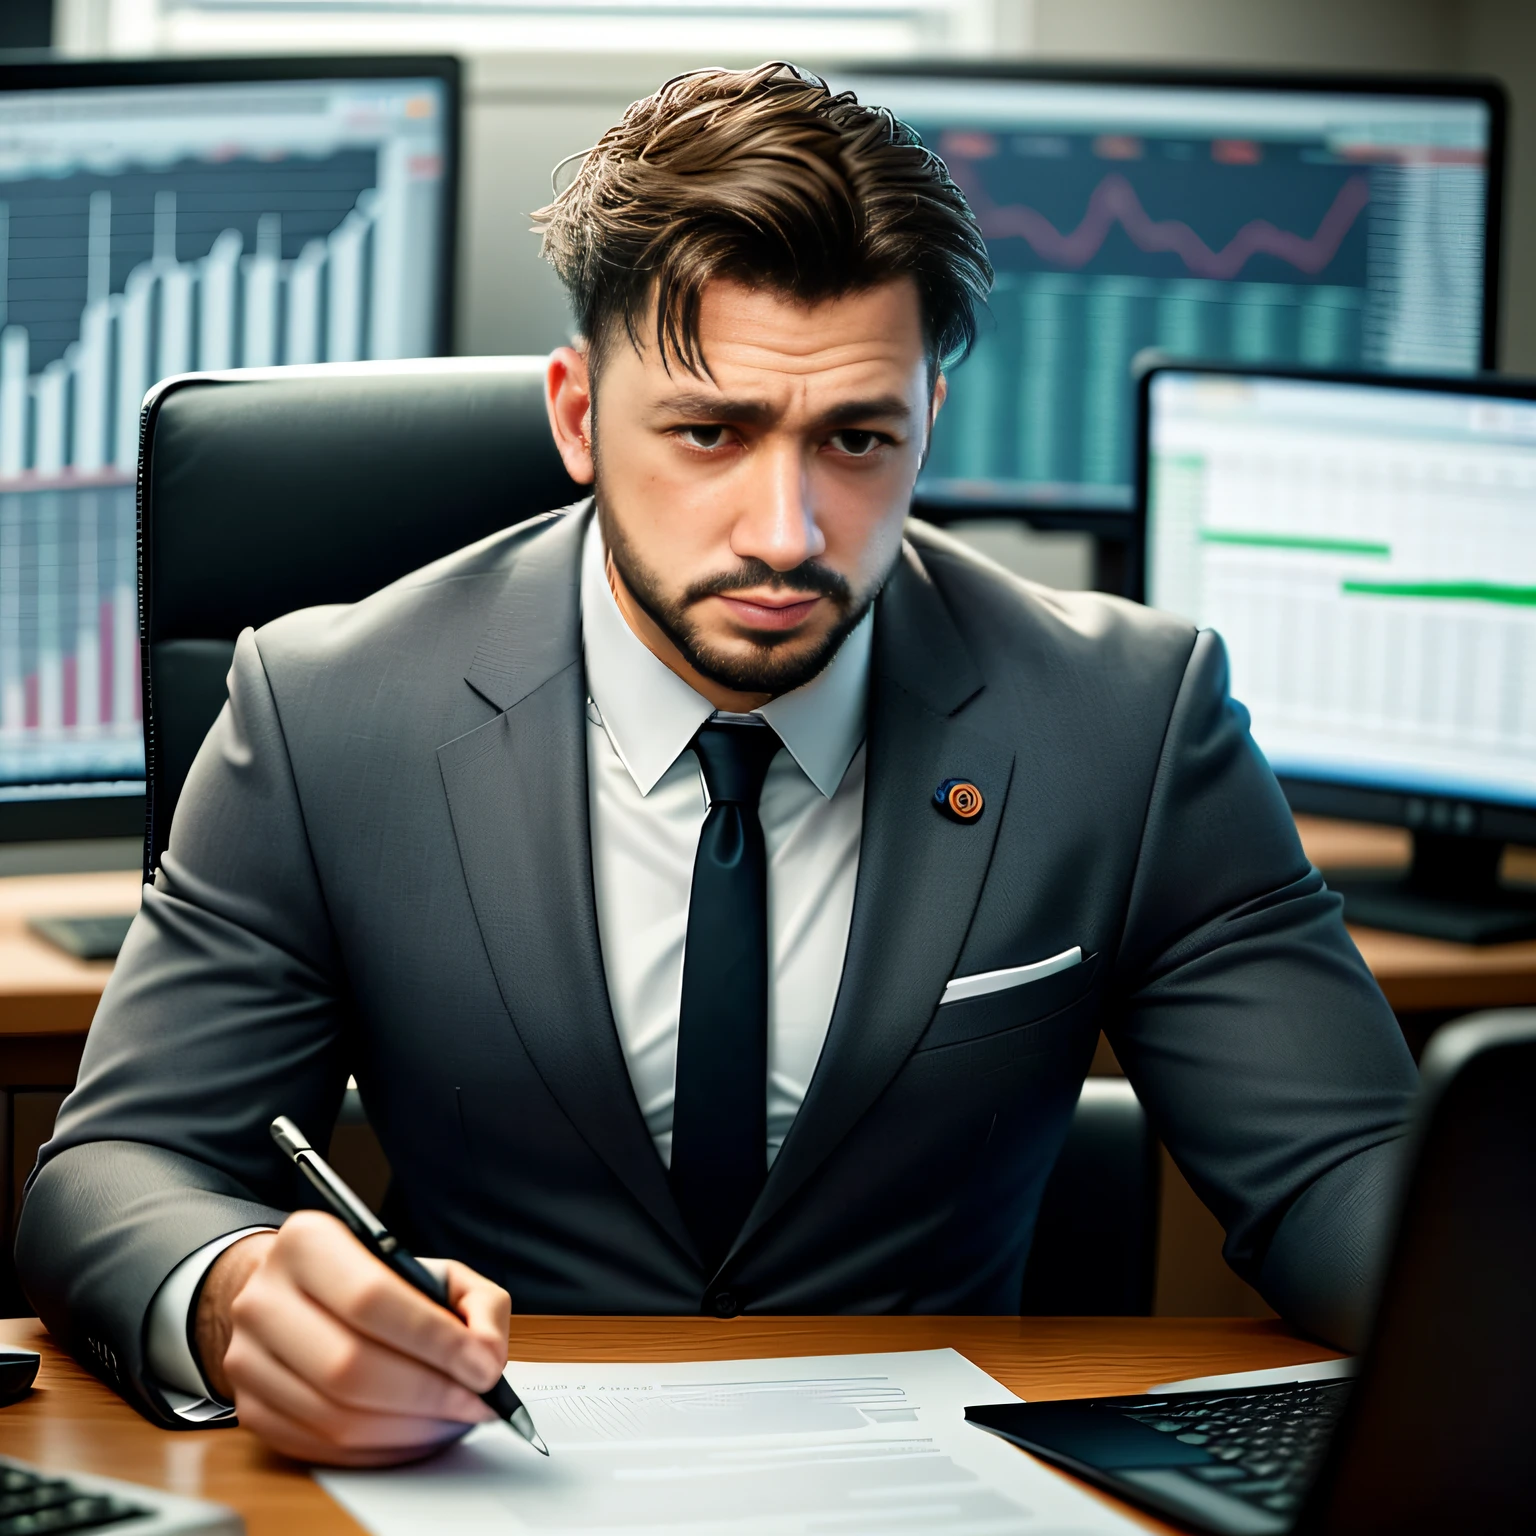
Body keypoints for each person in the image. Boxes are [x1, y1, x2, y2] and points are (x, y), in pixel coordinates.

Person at [17, 63, 1417, 1466]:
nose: (786, 531)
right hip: (491, 1482)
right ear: (577, 414)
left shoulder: (1127, 717)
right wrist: (243, 1294)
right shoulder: (328, 712)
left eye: (856, 439)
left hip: (943, 1495)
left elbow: (1344, 1171)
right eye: (710, 432)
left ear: (931, 413)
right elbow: (119, 1170)